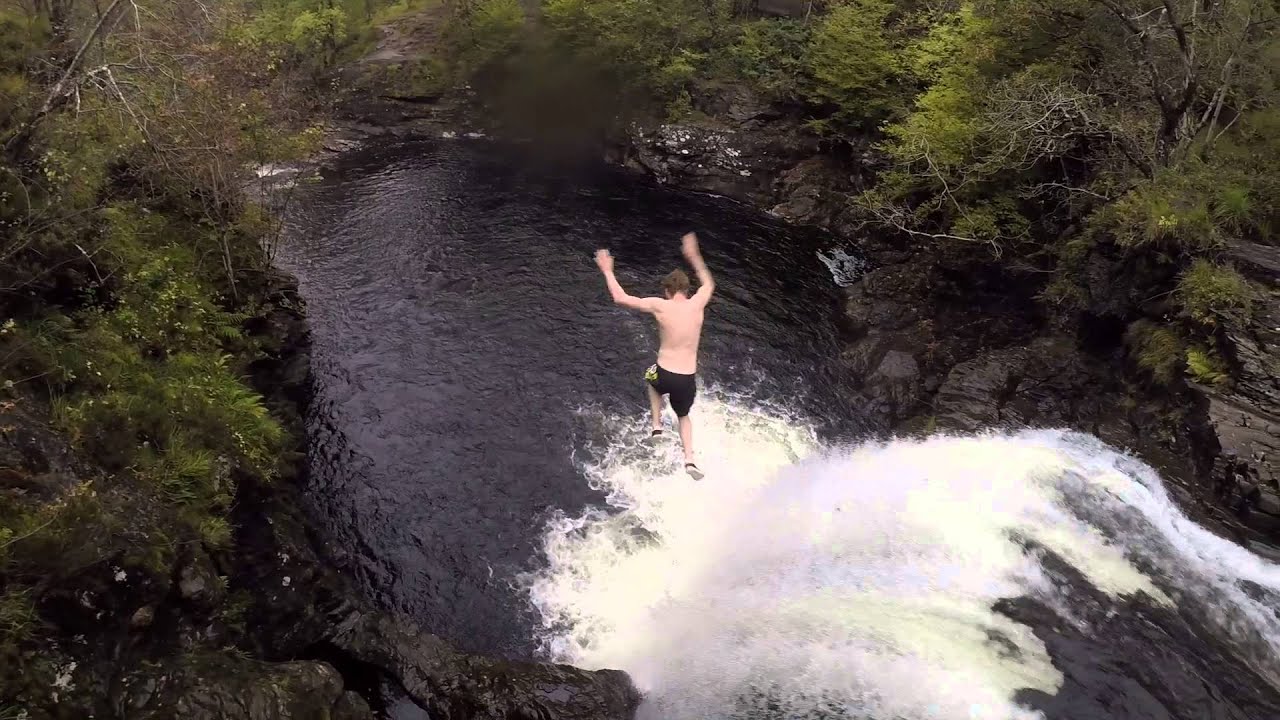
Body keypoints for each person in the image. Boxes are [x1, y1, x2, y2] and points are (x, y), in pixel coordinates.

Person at [594, 232, 715, 479]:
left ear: (667, 291)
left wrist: (607, 271)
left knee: (651, 378)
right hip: (686, 378)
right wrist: (694, 255)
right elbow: (709, 284)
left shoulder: (660, 305)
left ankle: (657, 427)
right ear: (687, 290)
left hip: (663, 373)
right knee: (684, 416)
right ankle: (689, 460)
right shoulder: (698, 303)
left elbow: (621, 298)